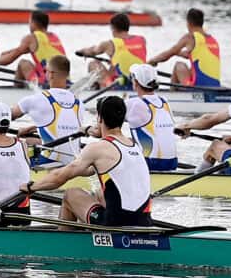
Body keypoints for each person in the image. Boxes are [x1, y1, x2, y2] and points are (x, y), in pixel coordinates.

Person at [29, 96, 151, 228]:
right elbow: (89, 170)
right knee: (99, 193)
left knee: (71, 194)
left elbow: (59, 178)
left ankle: (65, 245)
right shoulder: (134, 145)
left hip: (114, 223)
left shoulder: (97, 148)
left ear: (99, 118)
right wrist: (89, 130)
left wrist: (31, 187)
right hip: (144, 222)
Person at [12, 54, 85, 168]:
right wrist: (32, 128)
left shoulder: (37, 99)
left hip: (48, 163)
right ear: (67, 74)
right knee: (30, 140)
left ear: (50, 74)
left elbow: (7, 116)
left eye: (46, 70)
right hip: (74, 163)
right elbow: (62, 125)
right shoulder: (79, 103)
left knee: (16, 142)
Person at [120, 63, 179, 172]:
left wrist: (87, 130)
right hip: (172, 162)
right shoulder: (165, 102)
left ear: (136, 82)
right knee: (130, 140)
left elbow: (106, 125)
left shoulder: (134, 104)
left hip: (151, 164)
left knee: (116, 141)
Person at [147, 8, 222, 88]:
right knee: (192, 68)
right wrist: (177, 53)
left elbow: (167, 54)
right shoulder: (213, 40)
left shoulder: (190, 37)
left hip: (198, 86)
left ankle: (172, 96)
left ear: (189, 23)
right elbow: (192, 55)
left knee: (179, 65)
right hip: (216, 85)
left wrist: (151, 61)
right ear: (202, 23)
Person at [75, 12, 147, 89]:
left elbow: (92, 51)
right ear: (128, 26)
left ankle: (101, 88)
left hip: (118, 84)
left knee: (93, 64)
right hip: (140, 83)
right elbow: (128, 58)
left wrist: (81, 51)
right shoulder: (142, 40)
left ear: (113, 28)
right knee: (113, 67)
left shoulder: (109, 44)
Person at [0, 10, 66, 85]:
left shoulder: (31, 37)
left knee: (23, 63)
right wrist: (5, 53)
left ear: (33, 23)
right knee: (38, 66)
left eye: (30, 22)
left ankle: (17, 92)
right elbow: (20, 50)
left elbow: (9, 59)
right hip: (64, 81)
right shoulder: (54, 37)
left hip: (47, 82)